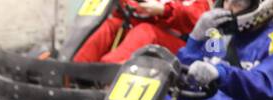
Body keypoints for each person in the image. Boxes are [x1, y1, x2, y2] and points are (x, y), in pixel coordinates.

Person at [73, 1, 211, 65]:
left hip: (182, 47)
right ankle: (76, 68)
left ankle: (109, 70)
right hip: (147, 35)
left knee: (144, 30)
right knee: (111, 25)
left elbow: (198, 18)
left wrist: (164, 10)